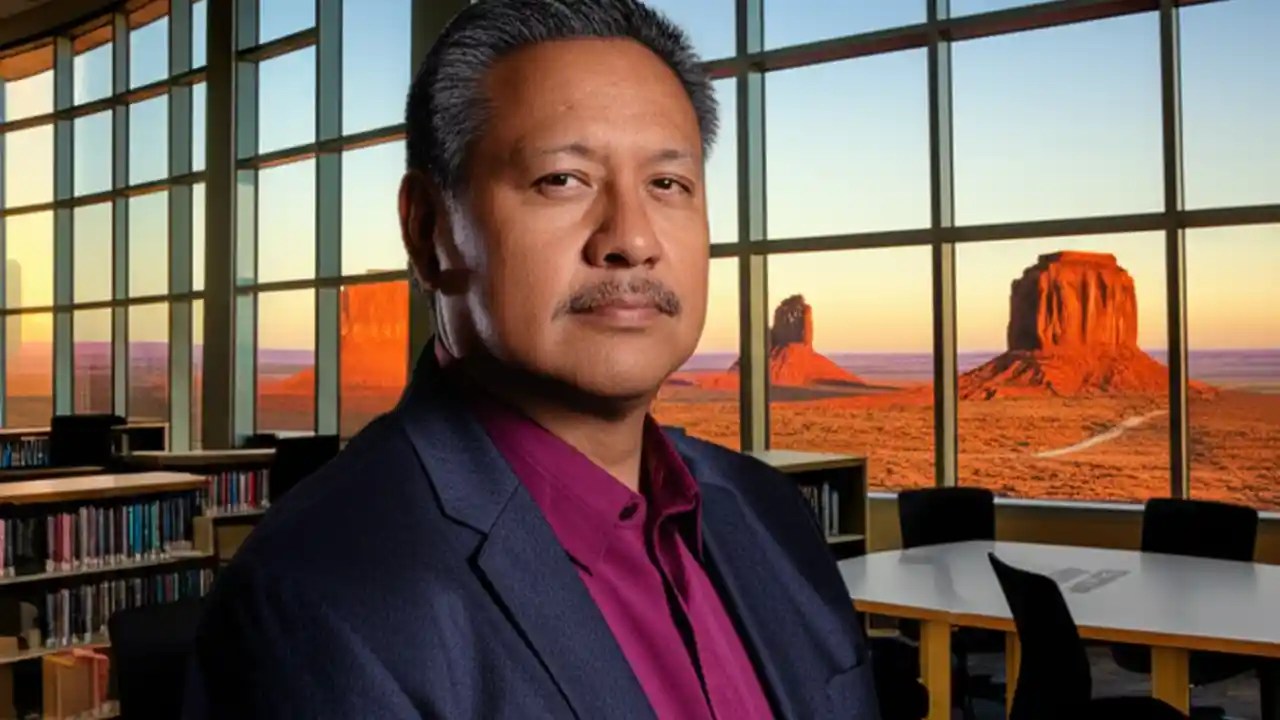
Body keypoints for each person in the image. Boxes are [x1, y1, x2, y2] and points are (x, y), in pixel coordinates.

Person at [184, 1, 880, 718]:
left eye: (667, 185)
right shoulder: (319, 601)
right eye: (562, 179)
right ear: (428, 230)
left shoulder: (767, 512)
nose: (632, 240)